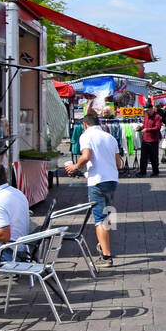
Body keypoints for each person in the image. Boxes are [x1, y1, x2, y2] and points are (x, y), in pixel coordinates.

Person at [65, 111, 122, 269]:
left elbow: (86, 156)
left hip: (97, 180)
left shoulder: (86, 136)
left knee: (99, 219)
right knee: (106, 214)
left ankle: (106, 256)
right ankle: (103, 244)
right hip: (112, 180)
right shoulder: (110, 137)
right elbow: (119, 163)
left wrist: (75, 166)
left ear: (84, 124)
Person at [138, 107, 163, 177]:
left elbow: (157, 127)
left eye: (147, 110)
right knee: (143, 157)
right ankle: (142, 172)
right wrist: (140, 128)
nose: (146, 112)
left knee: (154, 157)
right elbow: (144, 125)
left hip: (153, 140)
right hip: (145, 139)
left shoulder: (157, 117)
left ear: (151, 109)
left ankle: (155, 172)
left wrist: (147, 130)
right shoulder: (146, 116)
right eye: (145, 111)